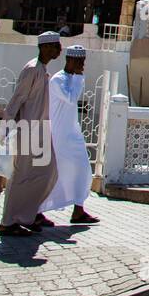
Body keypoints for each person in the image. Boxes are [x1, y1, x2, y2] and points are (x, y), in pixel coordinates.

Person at [0, 31, 62, 237]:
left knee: (48, 172)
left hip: (40, 132)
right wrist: (6, 127)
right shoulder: (32, 69)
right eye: (55, 45)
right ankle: (8, 222)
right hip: (27, 131)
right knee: (21, 177)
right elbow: (17, 99)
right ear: (44, 47)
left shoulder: (42, 70)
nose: (59, 49)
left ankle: (29, 214)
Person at [39, 45, 99, 226]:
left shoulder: (73, 78)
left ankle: (78, 211)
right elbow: (71, 98)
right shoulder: (58, 80)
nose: (82, 65)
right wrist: (79, 77)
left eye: (83, 61)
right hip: (59, 135)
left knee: (82, 170)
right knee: (55, 175)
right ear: (69, 60)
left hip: (72, 134)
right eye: (79, 61)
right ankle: (37, 211)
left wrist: (78, 77)